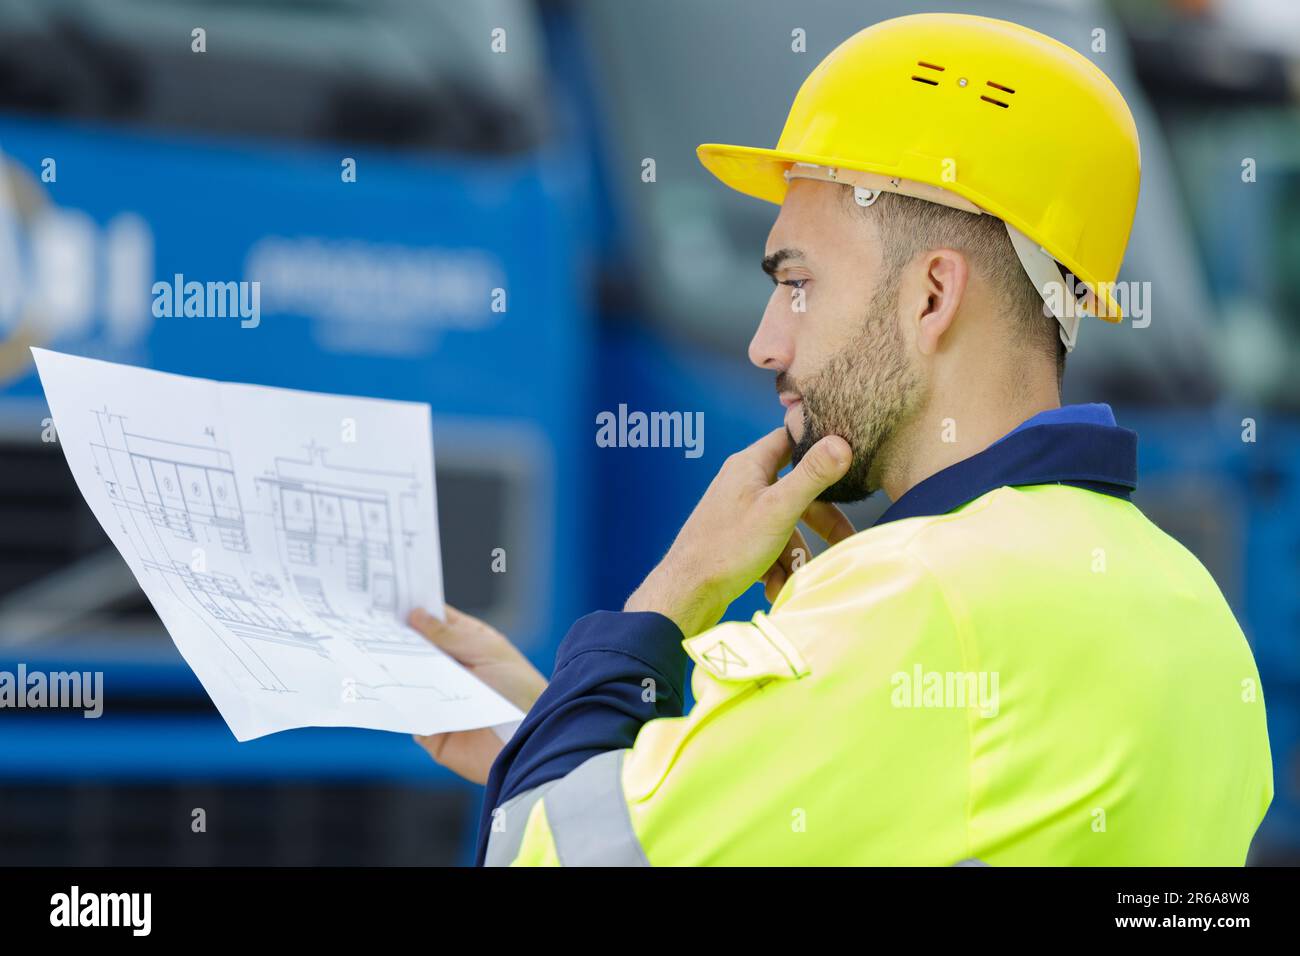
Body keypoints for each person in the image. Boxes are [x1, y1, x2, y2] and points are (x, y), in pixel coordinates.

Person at [408, 13, 1273, 865]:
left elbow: (551, 856)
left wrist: (677, 590)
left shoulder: (913, 604)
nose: (765, 343)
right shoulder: (1192, 612)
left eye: (797, 282)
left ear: (932, 296)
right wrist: (546, 732)